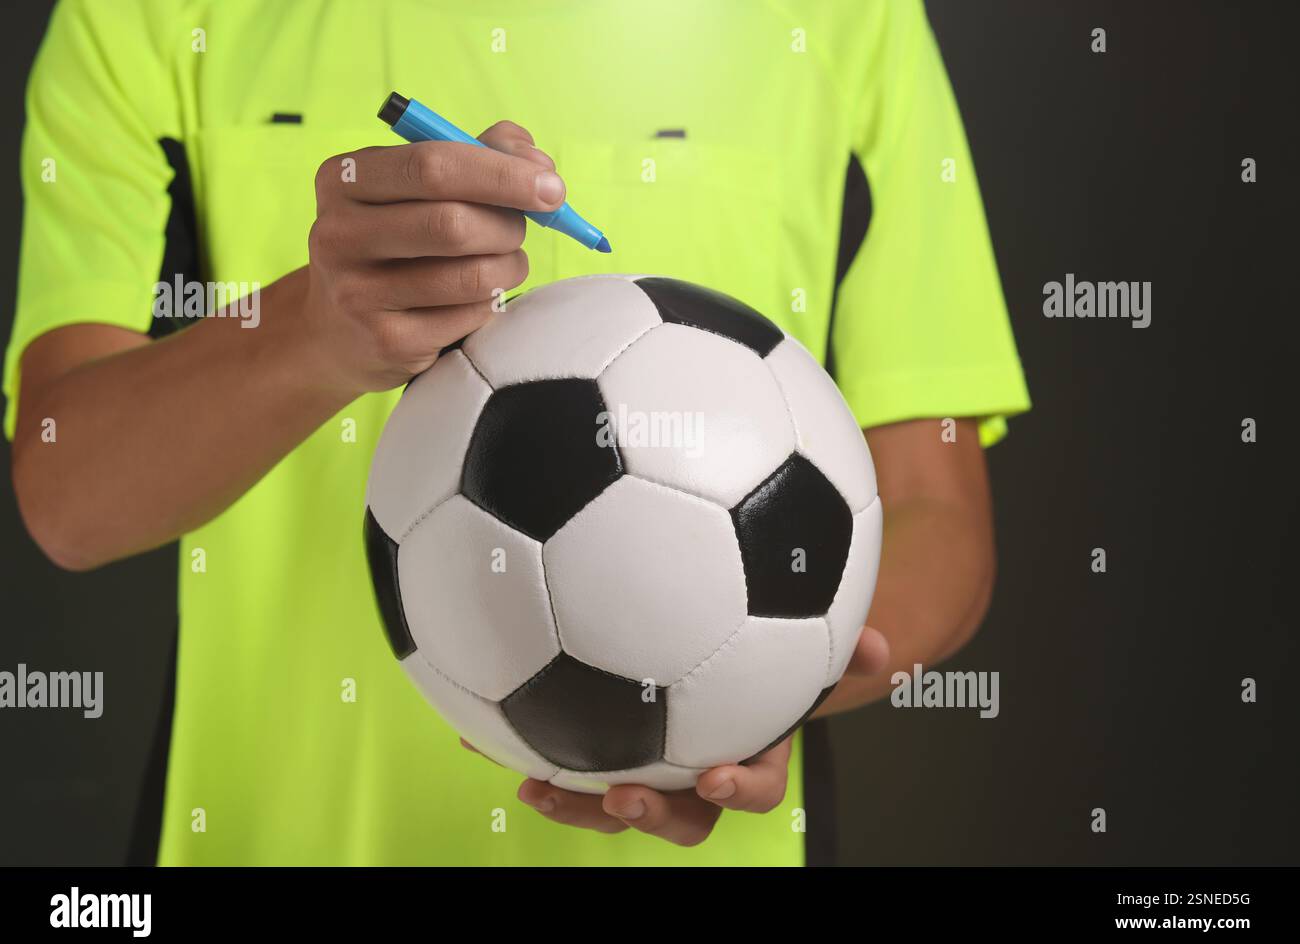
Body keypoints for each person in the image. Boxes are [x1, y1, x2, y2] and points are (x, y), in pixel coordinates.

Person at [6, 0, 1029, 865]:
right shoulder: (148, 16)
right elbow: (67, 494)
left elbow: (934, 507)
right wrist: (309, 334)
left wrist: (770, 688)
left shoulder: (845, 19)